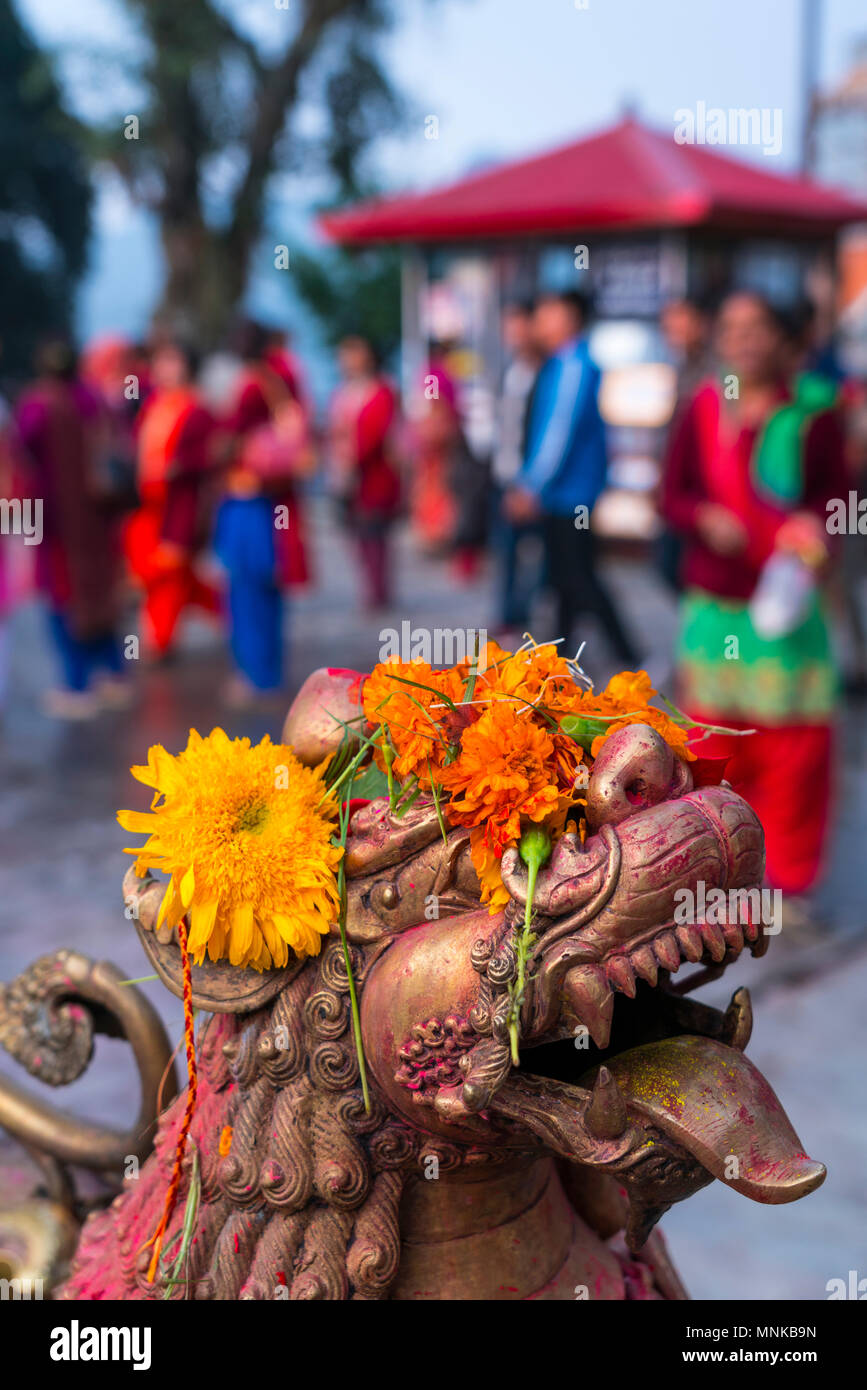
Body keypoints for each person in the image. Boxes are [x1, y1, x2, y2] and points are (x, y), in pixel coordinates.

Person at [661, 290, 849, 897]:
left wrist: (818, 528)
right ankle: (719, 870)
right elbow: (672, 495)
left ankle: (790, 877)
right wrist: (704, 517)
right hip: (716, 608)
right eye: (731, 326)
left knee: (795, 748)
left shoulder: (815, 414)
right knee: (714, 747)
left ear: (784, 339)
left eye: (756, 326)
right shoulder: (705, 408)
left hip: (785, 608)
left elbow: (840, 502)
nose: (741, 338)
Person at [505, 290, 639, 665]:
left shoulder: (574, 364)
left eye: (549, 314)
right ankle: (563, 661)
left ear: (570, 319)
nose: (540, 323)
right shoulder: (560, 363)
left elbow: (557, 433)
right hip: (563, 493)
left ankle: (632, 657)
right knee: (565, 579)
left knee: (581, 577)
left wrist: (530, 485)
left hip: (572, 494)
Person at [16, 340, 127, 717]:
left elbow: (20, 453)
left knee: (62, 599)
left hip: (57, 523)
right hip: (99, 518)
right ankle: (114, 674)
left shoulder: (37, 406)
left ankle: (76, 683)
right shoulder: (93, 399)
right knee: (101, 594)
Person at [215, 327, 314, 701]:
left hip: (248, 501)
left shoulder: (250, 385)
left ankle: (255, 674)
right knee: (266, 591)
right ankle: (267, 672)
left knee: (247, 592)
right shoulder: (282, 378)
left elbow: (229, 438)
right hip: (273, 503)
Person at [125, 340, 220, 661]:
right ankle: (219, 612)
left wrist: (181, 466)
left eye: (172, 360)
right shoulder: (151, 403)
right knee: (150, 571)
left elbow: (210, 455)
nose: (165, 368)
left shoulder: (197, 408)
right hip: (147, 505)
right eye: (160, 360)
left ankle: (160, 641)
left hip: (180, 505)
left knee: (171, 573)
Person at [327, 335, 401, 610]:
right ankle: (370, 588)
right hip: (347, 476)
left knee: (376, 534)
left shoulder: (381, 391)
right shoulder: (342, 392)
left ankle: (378, 591)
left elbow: (375, 434)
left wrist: (353, 458)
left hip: (374, 475)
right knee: (357, 534)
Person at [492, 301, 543, 631]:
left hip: (533, 482)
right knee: (506, 553)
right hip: (504, 476)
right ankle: (509, 616)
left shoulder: (546, 372)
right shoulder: (507, 373)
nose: (513, 334)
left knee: (539, 557)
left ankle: (529, 614)